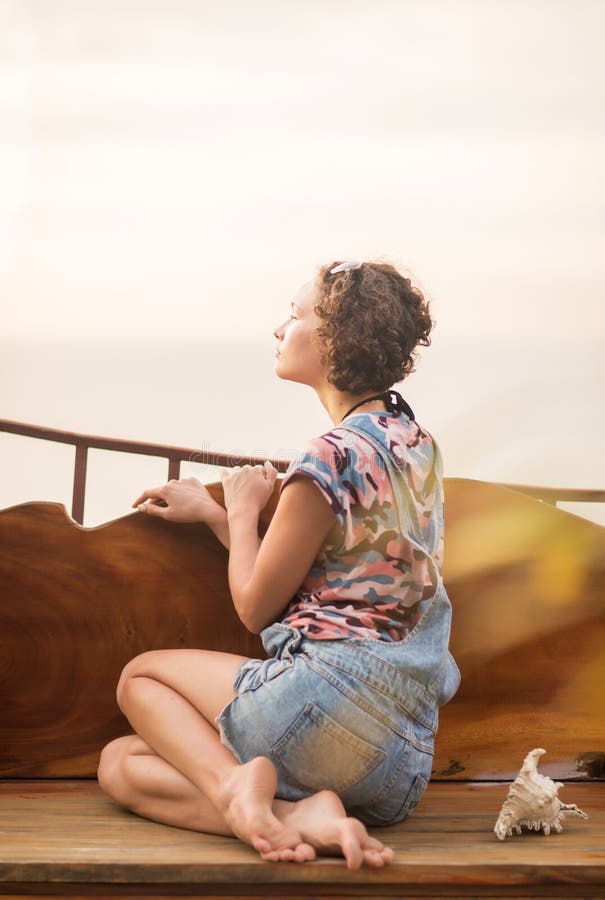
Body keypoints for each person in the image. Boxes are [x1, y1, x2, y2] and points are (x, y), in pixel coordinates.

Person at [97, 259, 460, 870]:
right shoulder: (415, 445)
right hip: (399, 766)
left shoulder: (328, 457)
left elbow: (254, 606)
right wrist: (215, 517)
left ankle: (236, 789)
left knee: (139, 678)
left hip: (319, 709)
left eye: (294, 315)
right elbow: (316, 575)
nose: (278, 329)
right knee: (122, 765)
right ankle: (297, 816)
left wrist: (242, 510)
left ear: (335, 337)